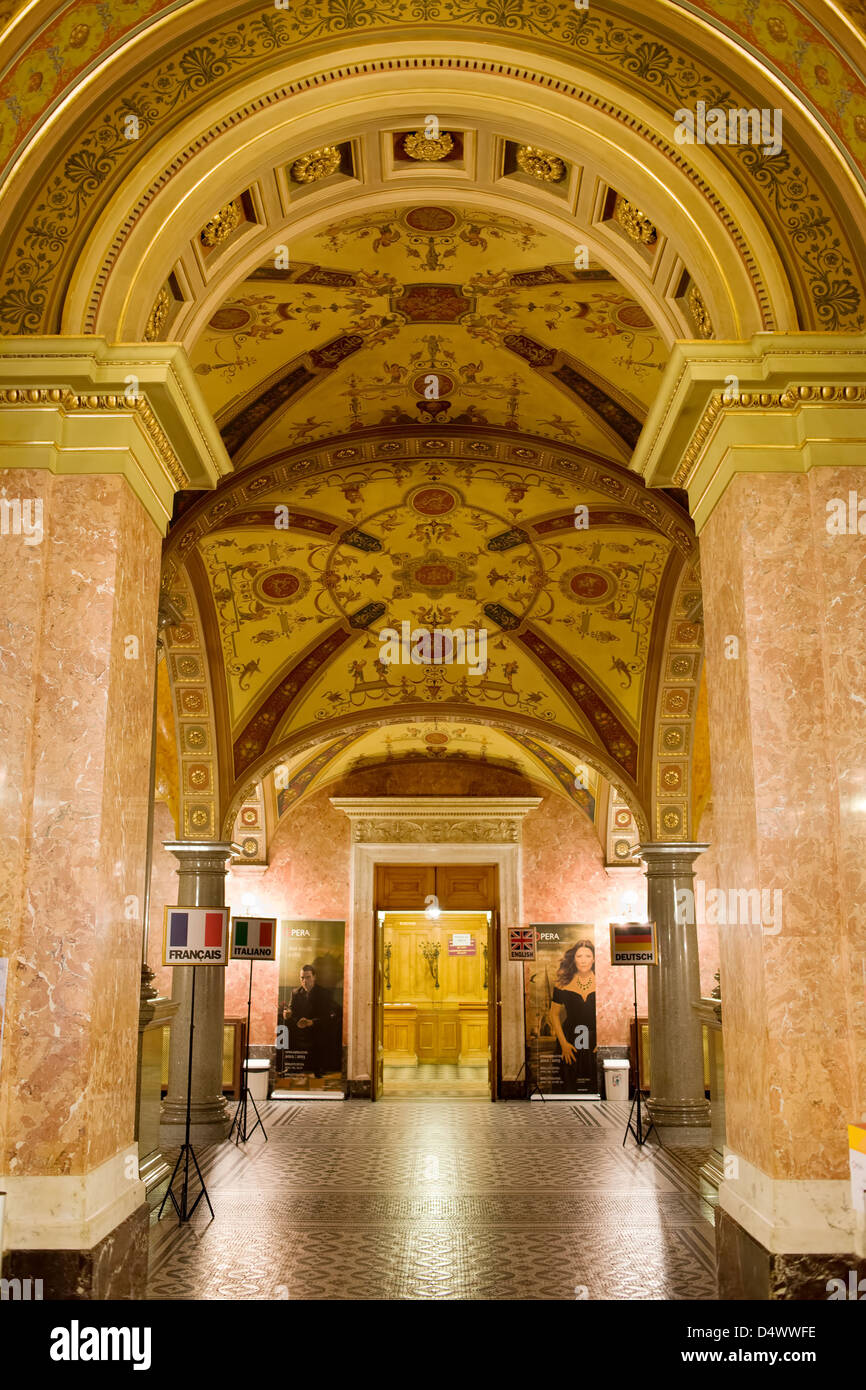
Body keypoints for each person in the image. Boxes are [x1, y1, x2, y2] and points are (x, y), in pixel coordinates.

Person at [548, 940, 597, 1094]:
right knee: (568, 1083)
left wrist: (604, 1041)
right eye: (579, 956)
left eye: (588, 956)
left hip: (594, 1039)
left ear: (594, 959)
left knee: (592, 1084)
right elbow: (553, 1014)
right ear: (573, 959)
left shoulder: (603, 980)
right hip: (569, 1038)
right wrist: (563, 1043)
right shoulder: (563, 982)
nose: (583, 960)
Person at [286, 965, 331, 1078]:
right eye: (302, 978)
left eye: (308, 977)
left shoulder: (323, 993)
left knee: (322, 1032)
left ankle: (318, 1068)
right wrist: (288, 1013)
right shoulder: (295, 992)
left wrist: (312, 1022)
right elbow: (291, 1009)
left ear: (314, 977)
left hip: (316, 1026)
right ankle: (292, 1066)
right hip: (299, 1025)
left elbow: (327, 1015)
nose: (305, 981)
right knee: (285, 1028)